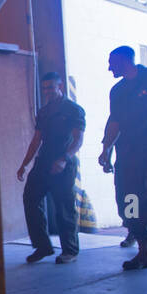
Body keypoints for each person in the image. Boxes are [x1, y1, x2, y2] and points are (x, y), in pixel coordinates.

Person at [98, 46, 147, 271]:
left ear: (123, 60)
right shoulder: (117, 90)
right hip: (129, 154)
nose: (109, 67)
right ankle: (144, 251)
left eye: (112, 62)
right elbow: (115, 121)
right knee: (129, 201)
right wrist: (106, 149)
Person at [16, 71, 86, 263]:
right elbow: (36, 139)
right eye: (45, 88)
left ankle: (70, 250)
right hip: (44, 161)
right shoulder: (44, 112)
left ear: (60, 87)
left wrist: (64, 159)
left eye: (51, 87)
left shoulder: (73, 110)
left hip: (64, 163)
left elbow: (78, 140)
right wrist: (24, 164)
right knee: (30, 198)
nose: (47, 91)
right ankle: (43, 246)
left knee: (64, 206)